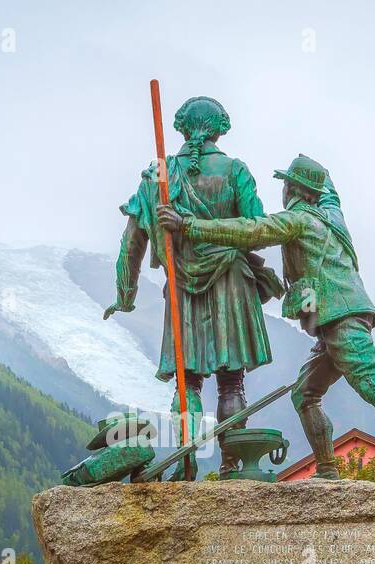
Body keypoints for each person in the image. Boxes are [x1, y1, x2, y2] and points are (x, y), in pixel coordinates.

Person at [156, 154, 375, 485]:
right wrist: (314, 177)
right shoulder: (333, 214)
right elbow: (328, 187)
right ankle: (327, 468)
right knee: (305, 394)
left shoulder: (296, 221)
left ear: (292, 189)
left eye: (286, 184)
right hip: (337, 323)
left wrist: (188, 225)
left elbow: (249, 230)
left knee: (373, 385)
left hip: (342, 318)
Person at [106, 95, 282, 477]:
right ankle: (232, 463)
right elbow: (257, 231)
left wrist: (125, 295)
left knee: (188, 382)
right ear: (220, 129)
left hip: (182, 284)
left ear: (182, 127)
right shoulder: (236, 171)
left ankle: (187, 459)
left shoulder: (158, 177)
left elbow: (131, 244)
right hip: (233, 282)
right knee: (231, 378)